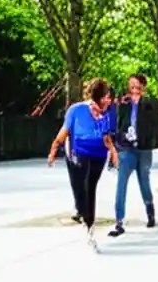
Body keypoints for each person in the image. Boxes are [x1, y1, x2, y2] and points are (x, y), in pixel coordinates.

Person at [48, 78, 119, 252]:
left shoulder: (107, 113)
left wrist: (113, 154)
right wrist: (54, 148)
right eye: (106, 97)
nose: (108, 100)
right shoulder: (76, 110)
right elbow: (64, 131)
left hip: (99, 154)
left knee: (91, 187)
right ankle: (85, 218)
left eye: (109, 97)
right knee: (83, 186)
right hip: (80, 153)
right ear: (98, 96)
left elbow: (106, 137)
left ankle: (89, 226)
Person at [109, 73, 158, 237]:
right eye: (131, 86)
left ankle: (150, 211)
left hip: (144, 149)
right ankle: (119, 221)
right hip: (126, 149)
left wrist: (149, 139)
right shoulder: (123, 104)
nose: (133, 90)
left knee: (144, 182)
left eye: (137, 87)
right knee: (121, 184)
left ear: (143, 87)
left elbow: (155, 123)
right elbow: (117, 123)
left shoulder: (150, 103)